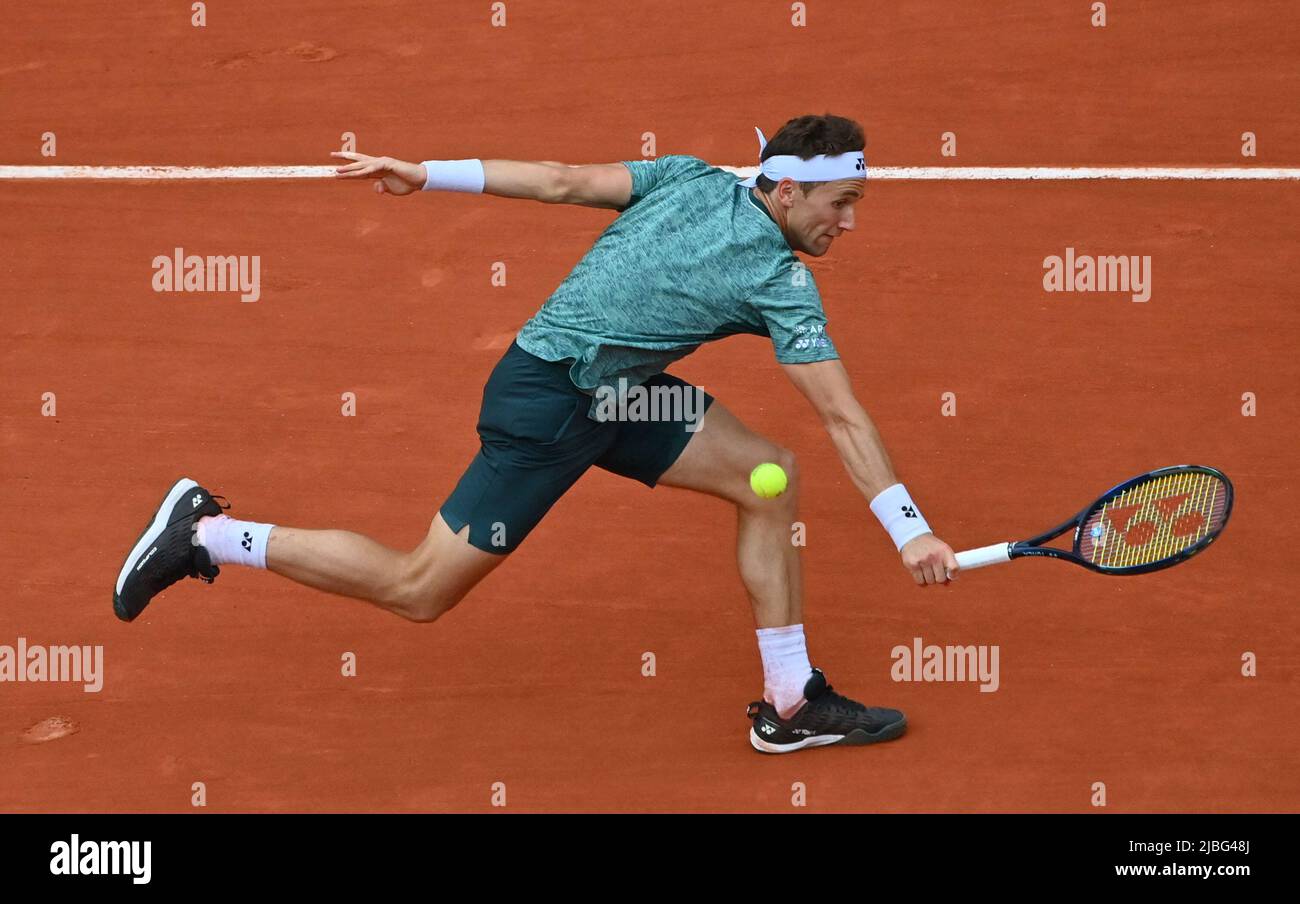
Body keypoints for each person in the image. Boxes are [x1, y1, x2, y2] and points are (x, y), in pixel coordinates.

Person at [113, 113, 960, 754]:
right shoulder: (779, 282)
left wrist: (424, 173)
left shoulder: (690, 175)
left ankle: (790, 702)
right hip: (550, 406)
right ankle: (210, 533)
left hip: (619, 397)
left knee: (765, 473)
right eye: (841, 203)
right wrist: (911, 531)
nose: (847, 223)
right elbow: (843, 414)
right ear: (786, 189)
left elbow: (559, 180)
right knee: (419, 590)